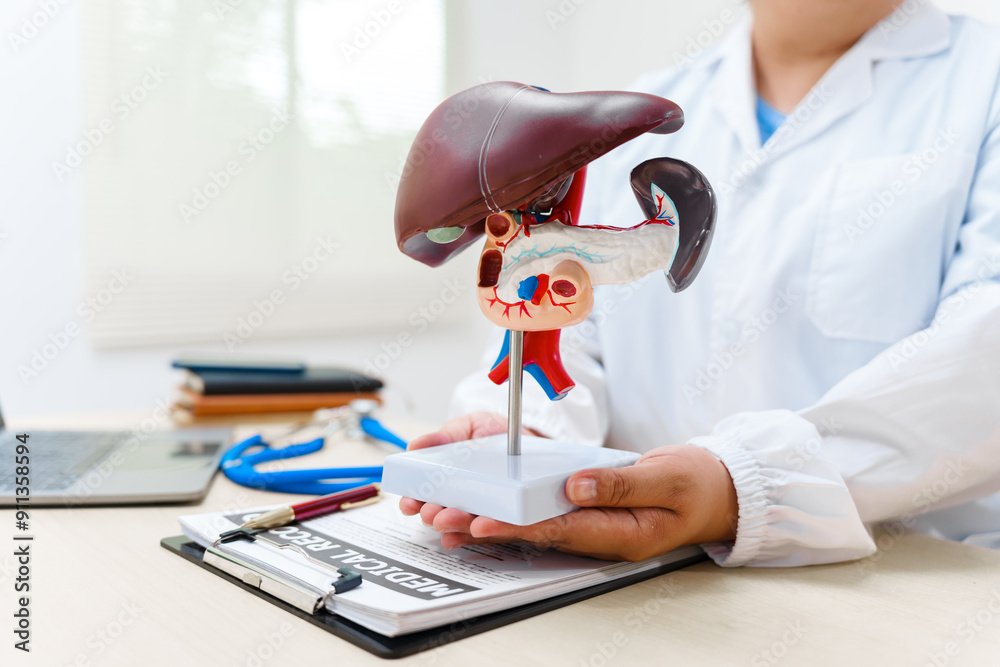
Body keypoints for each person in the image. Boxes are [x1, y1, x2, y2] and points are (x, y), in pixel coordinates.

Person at [400, 0, 1000, 566]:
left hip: (911, 579)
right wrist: (529, 433)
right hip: (639, 577)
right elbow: (570, 318)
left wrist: (739, 485)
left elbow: (983, 354)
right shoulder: (644, 114)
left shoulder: (984, 83)